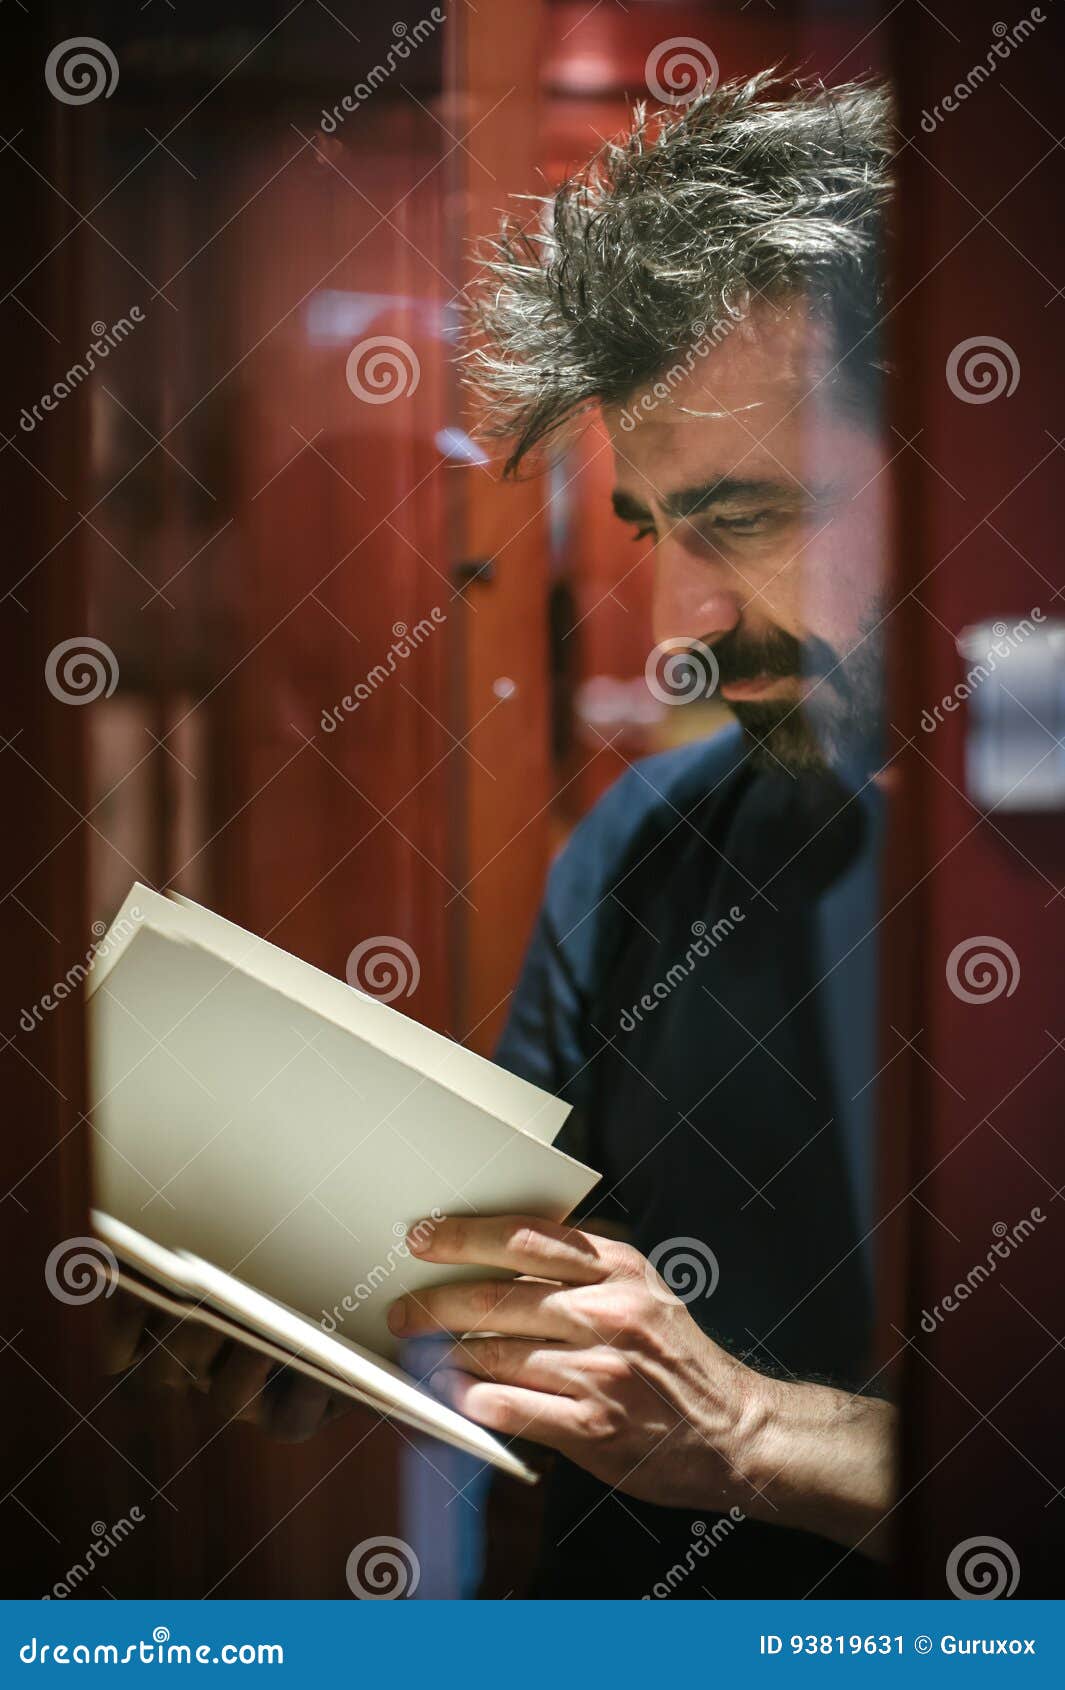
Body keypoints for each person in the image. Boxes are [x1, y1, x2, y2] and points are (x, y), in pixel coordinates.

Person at [107, 72, 897, 1599]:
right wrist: (309, 1303)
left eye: (744, 517)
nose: (683, 624)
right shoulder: (646, 849)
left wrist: (755, 1433)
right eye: (657, 533)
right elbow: (523, 1295)